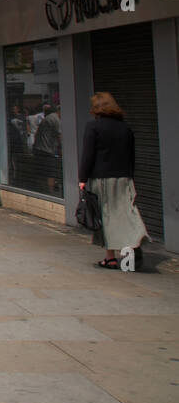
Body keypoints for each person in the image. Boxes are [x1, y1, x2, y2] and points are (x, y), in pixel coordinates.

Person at [79, 91, 149, 270]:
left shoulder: (93, 127)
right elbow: (131, 154)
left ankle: (111, 257)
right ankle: (130, 251)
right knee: (126, 212)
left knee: (105, 216)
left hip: (102, 178)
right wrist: (129, 175)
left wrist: (82, 178)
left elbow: (88, 155)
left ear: (96, 108)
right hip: (124, 177)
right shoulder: (125, 128)